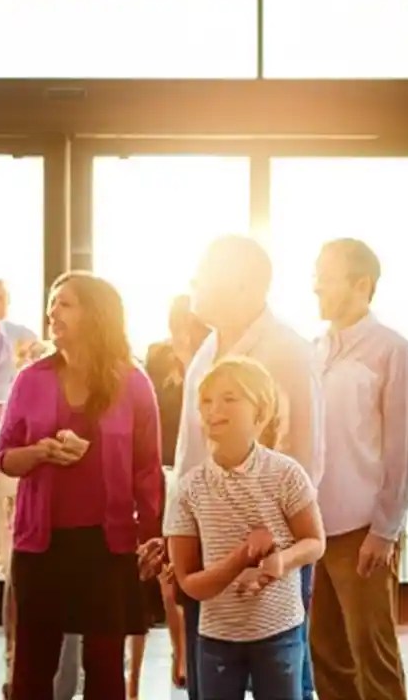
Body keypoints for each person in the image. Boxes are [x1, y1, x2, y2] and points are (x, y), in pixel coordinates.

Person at [0, 271, 163, 700]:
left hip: (108, 546)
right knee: (33, 666)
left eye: (65, 302)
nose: (53, 311)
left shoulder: (134, 383)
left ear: (96, 313)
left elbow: (147, 469)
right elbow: (5, 457)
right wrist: (41, 452)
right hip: (41, 546)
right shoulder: (30, 380)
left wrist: (151, 537)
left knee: (106, 668)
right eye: (52, 302)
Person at [173, 235, 323, 700]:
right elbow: (187, 454)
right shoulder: (206, 350)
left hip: (269, 560)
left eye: (206, 271)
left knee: (283, 682)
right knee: (210, 680)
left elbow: (305, 460)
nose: (194, 281)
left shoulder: (289, 350)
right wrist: (175, 533)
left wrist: (270, 554)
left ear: (243, 284)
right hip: (206, 548)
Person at [143, 356, 325, 699]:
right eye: (207, 401)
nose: (214, 409)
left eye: (230, 398)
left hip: (280, 632)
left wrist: (281, 561)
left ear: (260, 413)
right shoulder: (189, 488)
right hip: (216, 638)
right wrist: (242, 557)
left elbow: (315, 541)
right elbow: (189, 583)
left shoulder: (287, 474)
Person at [309, 239, 408, 699]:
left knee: (373, 657)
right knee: (325, 656)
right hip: (313, 529)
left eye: (325, 274)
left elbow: (406, 449)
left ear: (362, 284)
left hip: (362, 534)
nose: (314, 284)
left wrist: (385, 530)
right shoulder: (314, 349)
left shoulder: (394, 352)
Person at [140, 294, 209, 691]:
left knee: (192, 568)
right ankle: (179, 649)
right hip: (165, 469)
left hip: (198, 473)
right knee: (171, 572)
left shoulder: (212, 354)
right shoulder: (157, 355)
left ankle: (192, 649)